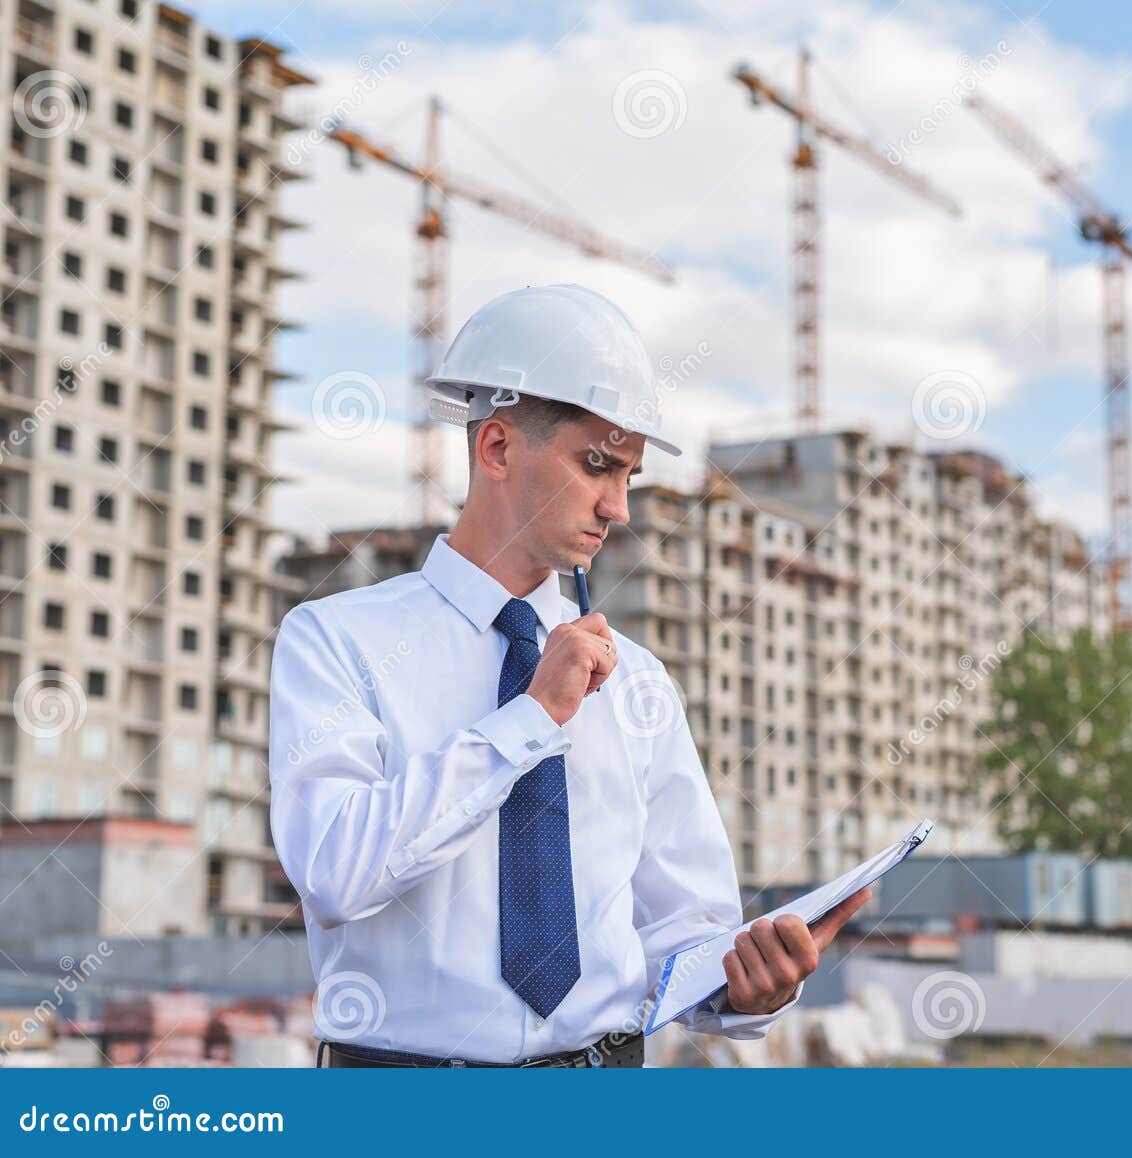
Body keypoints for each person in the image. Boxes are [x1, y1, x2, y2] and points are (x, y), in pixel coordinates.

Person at [269, 285, 868, 1068]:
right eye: (596, 466)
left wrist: (742, 988)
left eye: (629, 475)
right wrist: (529, 719)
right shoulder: (336, 639)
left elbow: (685, 927)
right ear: (496, 448)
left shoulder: (639, 682)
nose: (618, 507)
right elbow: (335, 873)